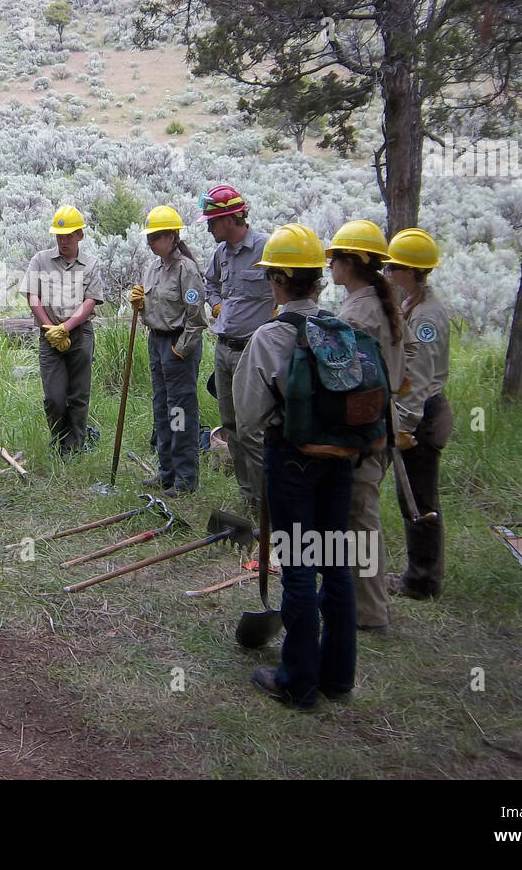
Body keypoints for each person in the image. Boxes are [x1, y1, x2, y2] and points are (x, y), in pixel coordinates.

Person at [234, 224, 355, 709]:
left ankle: (297, 682)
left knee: (299, 569)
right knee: (336, 563)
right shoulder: (340, 330)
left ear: (281, 280)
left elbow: (247, 417)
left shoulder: (270, 336)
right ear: (317, 281)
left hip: (292, 462)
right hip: (340, 462)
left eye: (270, 277)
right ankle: (337, 677)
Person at [326, 219, 406, 632]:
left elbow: (346, 381)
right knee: (358, 519)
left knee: (361, 522)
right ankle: (358, 603)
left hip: (363, 431)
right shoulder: (379, 301)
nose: (329, 266)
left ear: (351, 263)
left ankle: (370, 612)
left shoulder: (359, 313)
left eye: (335, 258)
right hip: (378, 426)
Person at [384, 228, 452, 600]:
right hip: (418, 411)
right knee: (411, 495)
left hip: (424, 415)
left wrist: (406, 424)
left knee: (419, 500)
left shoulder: (426, 315)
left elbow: (420, 376)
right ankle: (420, 574)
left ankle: (422, 581)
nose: (390, 273)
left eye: (394, 267)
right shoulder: (415, 303)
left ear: (410, 270)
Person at [200, 184, 272, 513]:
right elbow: (210, 283)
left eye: (212, 222)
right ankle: (248, 496)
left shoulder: (265, 249)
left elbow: (290, 290)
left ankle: (264, 501)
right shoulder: (221, 254)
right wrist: (215, 304)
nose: (210, 228)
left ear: (230, 219)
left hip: (252, 352)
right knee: (230, 426)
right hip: (224, 348)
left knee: (252, 428)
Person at [131, 205, 206, 497]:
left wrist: (180, 350)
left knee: (180, 411)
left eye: (156, 236)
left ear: (172, 236)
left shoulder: (186, 269)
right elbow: (155, 306)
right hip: (156, 341)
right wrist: (139, 305)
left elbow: (196, 317)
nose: (150, 242)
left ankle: (185, 478)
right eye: (149, 236)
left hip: (178, 344)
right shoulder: (153, 268)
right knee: (162, 408)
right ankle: (167, 472)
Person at [20, 205, 106, 457]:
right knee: (54, 397)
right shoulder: (40, 260)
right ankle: (57, 439)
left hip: (79, 334)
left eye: (68, 235)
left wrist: (66, 328)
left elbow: (90, 300)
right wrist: (49, 328)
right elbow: (32, 296)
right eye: (59, 236)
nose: (63, 241)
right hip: (49, 336)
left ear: (80, 235)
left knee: (79, 394)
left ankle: (75, 446)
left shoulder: (90, 264)